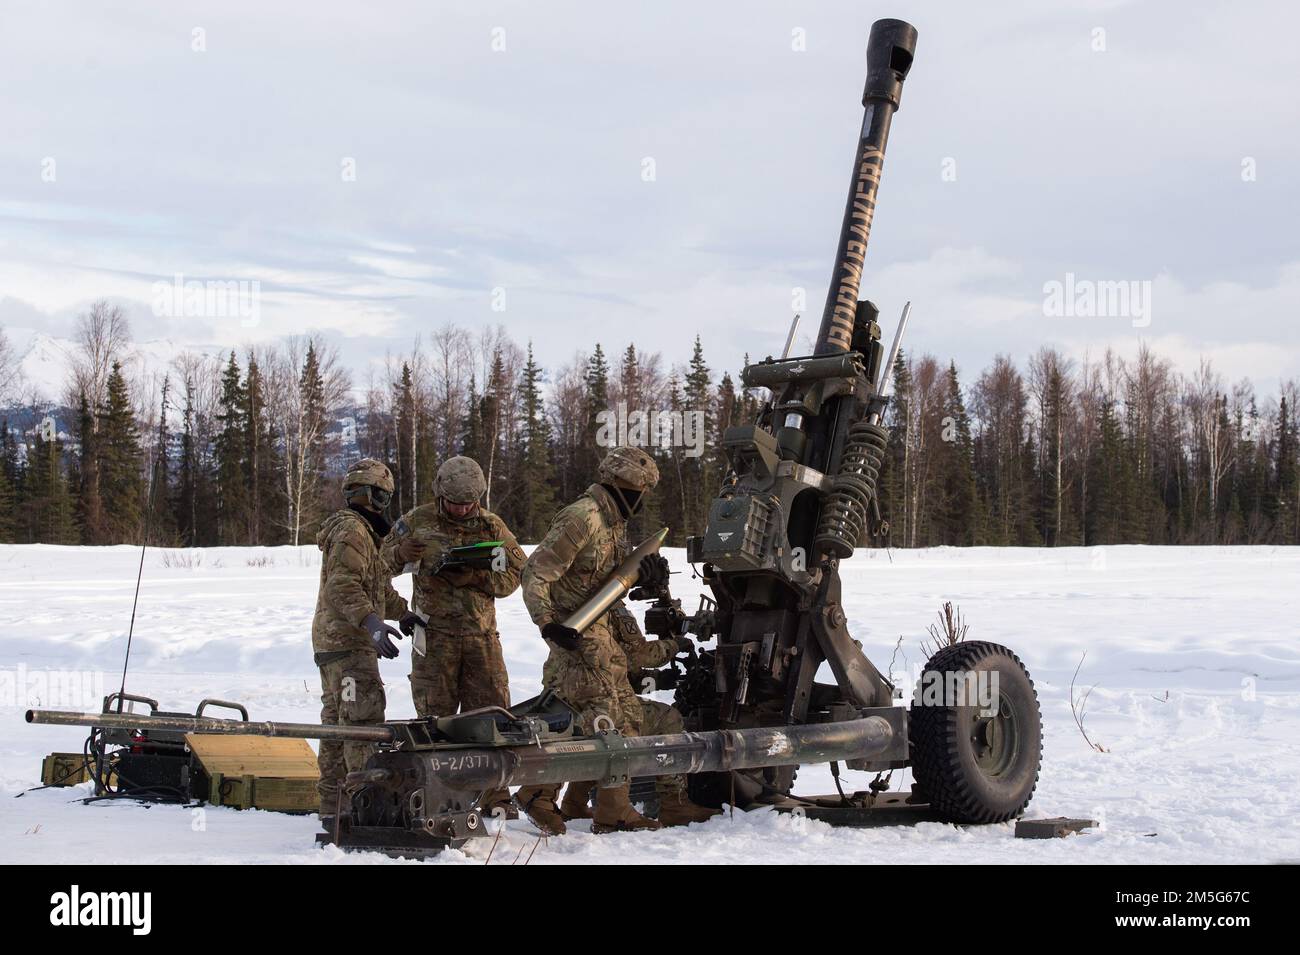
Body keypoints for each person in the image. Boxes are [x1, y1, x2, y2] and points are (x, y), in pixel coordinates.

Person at [516, 445, 710, 834]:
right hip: (578, 647)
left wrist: (648, 579)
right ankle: (583, 804)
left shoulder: (614, 523)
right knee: (610, 726)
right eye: (642, 491)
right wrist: (549, 625)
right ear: (627, 485)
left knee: (616, 724)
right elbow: (535, 574)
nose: (643, 500)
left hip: (599, 643)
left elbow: (607, 588)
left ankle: (577, 801)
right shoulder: (582, 518)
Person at [382, 455, 525, 815]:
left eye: (469, 504)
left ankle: (495, 796)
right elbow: (376, 565)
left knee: (492, 718)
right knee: (434, 721)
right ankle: (438, 796)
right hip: (434, 638)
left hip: (481, 639)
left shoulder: (493, 526)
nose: (463, 510)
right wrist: (399, 553)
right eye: (456, 503)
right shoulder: (416, 522)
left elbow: (517, 574)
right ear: (440, 494)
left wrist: (476, 577)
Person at [311, 458, 421, 827]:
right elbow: (342, 586)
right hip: (349, 645)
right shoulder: (353, 532)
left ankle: (334, 805)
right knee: (361, 723)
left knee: (336, 726)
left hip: (335, 644)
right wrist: (371, 624)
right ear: (374, 496)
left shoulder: (359, 532)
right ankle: (363, 806)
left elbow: (373, 586)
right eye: (383, 497)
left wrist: (401, 612)